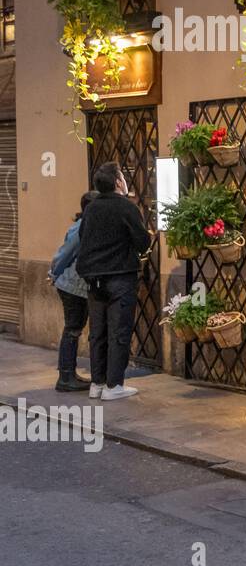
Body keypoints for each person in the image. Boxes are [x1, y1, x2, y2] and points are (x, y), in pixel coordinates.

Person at [77, 162, 153, 400]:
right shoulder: (126, 208)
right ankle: (114, 385)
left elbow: (83, 237)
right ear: (119, 182)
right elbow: (142, 242)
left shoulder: (91, 209)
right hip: (120, 277)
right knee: (119, 331)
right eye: (122, 176)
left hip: (93, 280)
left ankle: (97, 383)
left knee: (97, 332)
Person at [47, 192, 99, 392]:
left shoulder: (88, 225)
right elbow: (64, 254)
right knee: (73, 329)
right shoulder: (80, 228)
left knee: (74, 328)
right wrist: (53, 273)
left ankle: (68, 374)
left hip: (77, 286)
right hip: (72, 286)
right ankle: (66, 376)